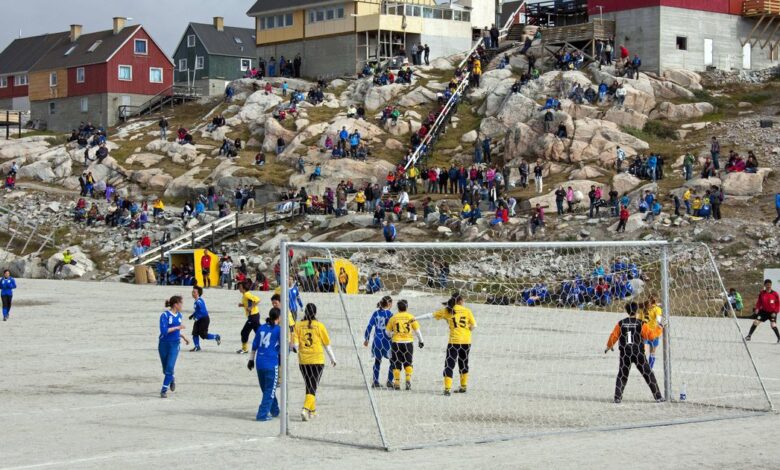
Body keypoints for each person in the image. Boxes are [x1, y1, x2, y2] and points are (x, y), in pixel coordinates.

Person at [604, 301, 663, 404]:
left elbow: (614, 335)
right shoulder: (641, 323)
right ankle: (658, 397)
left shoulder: (621, 323)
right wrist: (660, 328)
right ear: (636, 311)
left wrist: (609, 345)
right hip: (638, 353)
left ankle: (617, 398)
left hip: (625, 353)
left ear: (627, 311)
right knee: (648, 374)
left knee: (622, 375)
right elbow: (651, 336)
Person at [426, 293, 476, 395]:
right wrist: (468, 329)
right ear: (460, 301)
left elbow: (430, 315)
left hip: (454, 342)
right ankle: (463, 386)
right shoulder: (467, 311)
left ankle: (447, 389)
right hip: (466, 341)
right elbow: (474, 325)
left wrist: (415, 318)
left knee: (449, 364)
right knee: (463, 363)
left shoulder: (447, 310)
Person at [294, 303, 337, 421]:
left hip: (303, 360)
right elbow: (326, 344)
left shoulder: (298, 325)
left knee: (309, 385)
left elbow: (295, 345)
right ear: (315, 313)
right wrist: (333, 358)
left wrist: (295, 348)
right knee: (313, 385)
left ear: (305, 312)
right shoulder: (319, 326)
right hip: (317, 360)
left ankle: (312, 411)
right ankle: (305, 409)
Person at [247, 308, 281, 421]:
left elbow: (254, 345)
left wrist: (251, 360)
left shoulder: (261, 328)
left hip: (259, 362)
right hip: (271, 363)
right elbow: (283, 347)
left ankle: (275, 410)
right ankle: (262, 415)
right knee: (270, 390)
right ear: (279, 317)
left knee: (267, 389)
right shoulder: (278, 329)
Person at [385, 299, 424, 390]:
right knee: (408, 362)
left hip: (396, 343)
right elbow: (417, 331)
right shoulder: (410, 317)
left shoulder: (393, 318)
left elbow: (387, 332)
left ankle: (397, 383)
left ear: (398, 308)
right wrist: (421, 341)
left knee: (396, 363)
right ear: (407, 307)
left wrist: (392, 334)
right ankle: (408, 380)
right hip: (408, 343)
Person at [158, 295, 190, 398]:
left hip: (175, 344)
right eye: (181, 303)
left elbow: (176, 331)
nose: (182, 305)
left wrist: (183, 337)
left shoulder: (180, 315)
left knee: (170, 367)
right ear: (176, 304)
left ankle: (163, 390)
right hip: (163, 344)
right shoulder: (165, 315)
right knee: (166, 370)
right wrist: (177, 327)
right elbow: (164, 331)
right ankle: (171, 378)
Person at [364, 295, 395, 388]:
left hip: (377, 341)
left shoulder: (376, 313)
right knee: (393, 361)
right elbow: (393, 328)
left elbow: (369, 326)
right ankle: (389, 381)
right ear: (389, 304)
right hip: (387, 341)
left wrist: (366, 338)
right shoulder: (390, 314)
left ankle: (375, 381)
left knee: (377, 361)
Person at [189, 286, 221, 352]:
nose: (193, 293)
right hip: (199, 319)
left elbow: (203, 311)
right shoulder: (197, 301)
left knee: (204, 335)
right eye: (192, 292)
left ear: (198, 293)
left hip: (204, 320)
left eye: (194, 292)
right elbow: (198, 310)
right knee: (195, 333)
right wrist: (192, 315)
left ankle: (216, 336)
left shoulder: (199, 302)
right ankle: (197, 347)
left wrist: (197, 317)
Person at [237, 280, 261, 354]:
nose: (239, 288)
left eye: (240, 287)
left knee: (244, 332)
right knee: (259, 332)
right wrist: (242, 305)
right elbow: (248, 303)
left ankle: (245, 349)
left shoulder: (247, 294)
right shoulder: (245, 295)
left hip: (253, 316)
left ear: (244, 288)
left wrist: (251, 307)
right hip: (253, 316)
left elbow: (257, 300)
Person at [640, 297, 664, 369]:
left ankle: (649, 368)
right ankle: (647, 368)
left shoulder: (656, 309)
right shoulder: (645, 309)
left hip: (650, 333)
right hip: (648, 333)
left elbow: (659, 320)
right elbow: (659, 321)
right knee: (646, 351)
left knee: (650, 351)